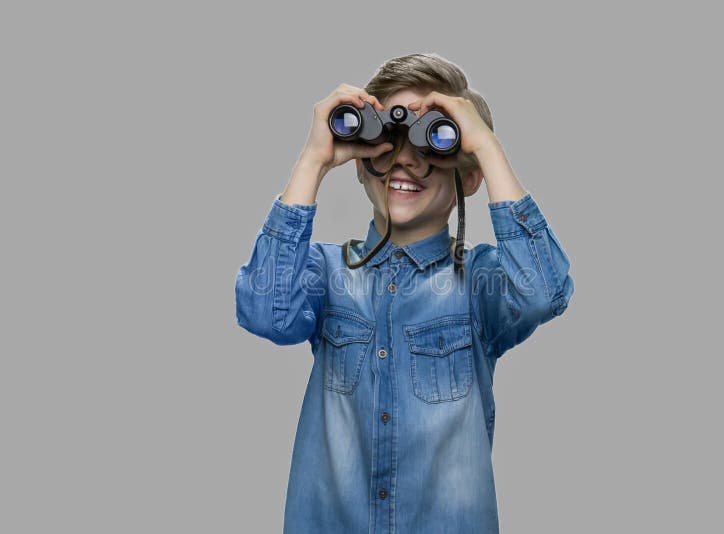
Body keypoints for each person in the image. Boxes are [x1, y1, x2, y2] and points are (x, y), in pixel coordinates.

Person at [235, 53, 575, 534]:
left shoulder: (479, 283)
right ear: (361, 161)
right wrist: (313, 160)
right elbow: (263, 312)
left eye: (434, 140)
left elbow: (543, 291)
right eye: (389, 139)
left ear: (469, 177)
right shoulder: (326, 273)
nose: (407, 159)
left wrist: (486, 146)